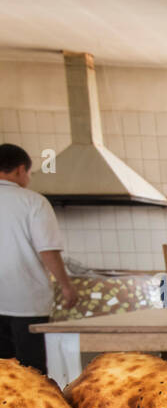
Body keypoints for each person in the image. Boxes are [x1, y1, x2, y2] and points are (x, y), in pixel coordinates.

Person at [0, 143, 78, 374]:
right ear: (20, 170)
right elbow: (48, 250)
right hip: (27, 302)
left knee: (3, 373)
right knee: (31, 371)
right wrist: (66, 286)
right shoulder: (33, 201)